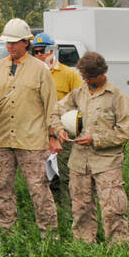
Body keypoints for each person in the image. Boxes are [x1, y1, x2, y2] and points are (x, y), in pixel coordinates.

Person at [0, 18, 61, 238]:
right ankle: (7, 233)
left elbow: (51, 106)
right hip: (3, 139)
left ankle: (49, 235)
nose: (11, 47)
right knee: (2, 188)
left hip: (32, 141)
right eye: (8, 43)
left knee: (39, 188)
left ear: (27, 42)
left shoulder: (40, 70)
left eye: (15, 42)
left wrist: (53, 136)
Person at [56, 52, 129, 245]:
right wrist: (59, 129)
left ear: (102, 73)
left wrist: (96, 139)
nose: (86, 80)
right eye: (84, 76)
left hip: (107, 164)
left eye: (90, 77)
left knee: (113, 209)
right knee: (80, 208)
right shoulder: (79, 93)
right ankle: (84, 247)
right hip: (79, 162)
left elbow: (125, 132)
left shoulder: (117, 97)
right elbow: (56, 110)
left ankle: (118, 250)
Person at [33, 31, 82, 212]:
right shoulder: (33, 74)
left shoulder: (68, 74)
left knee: (66, 174)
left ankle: (70, 211)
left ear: (52, 50)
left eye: (42, 50)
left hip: (63, 134)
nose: (39, 55)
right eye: (35, 52)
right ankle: (52, 211)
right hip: (40, 134)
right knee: (44, 176)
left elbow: (81, 102)